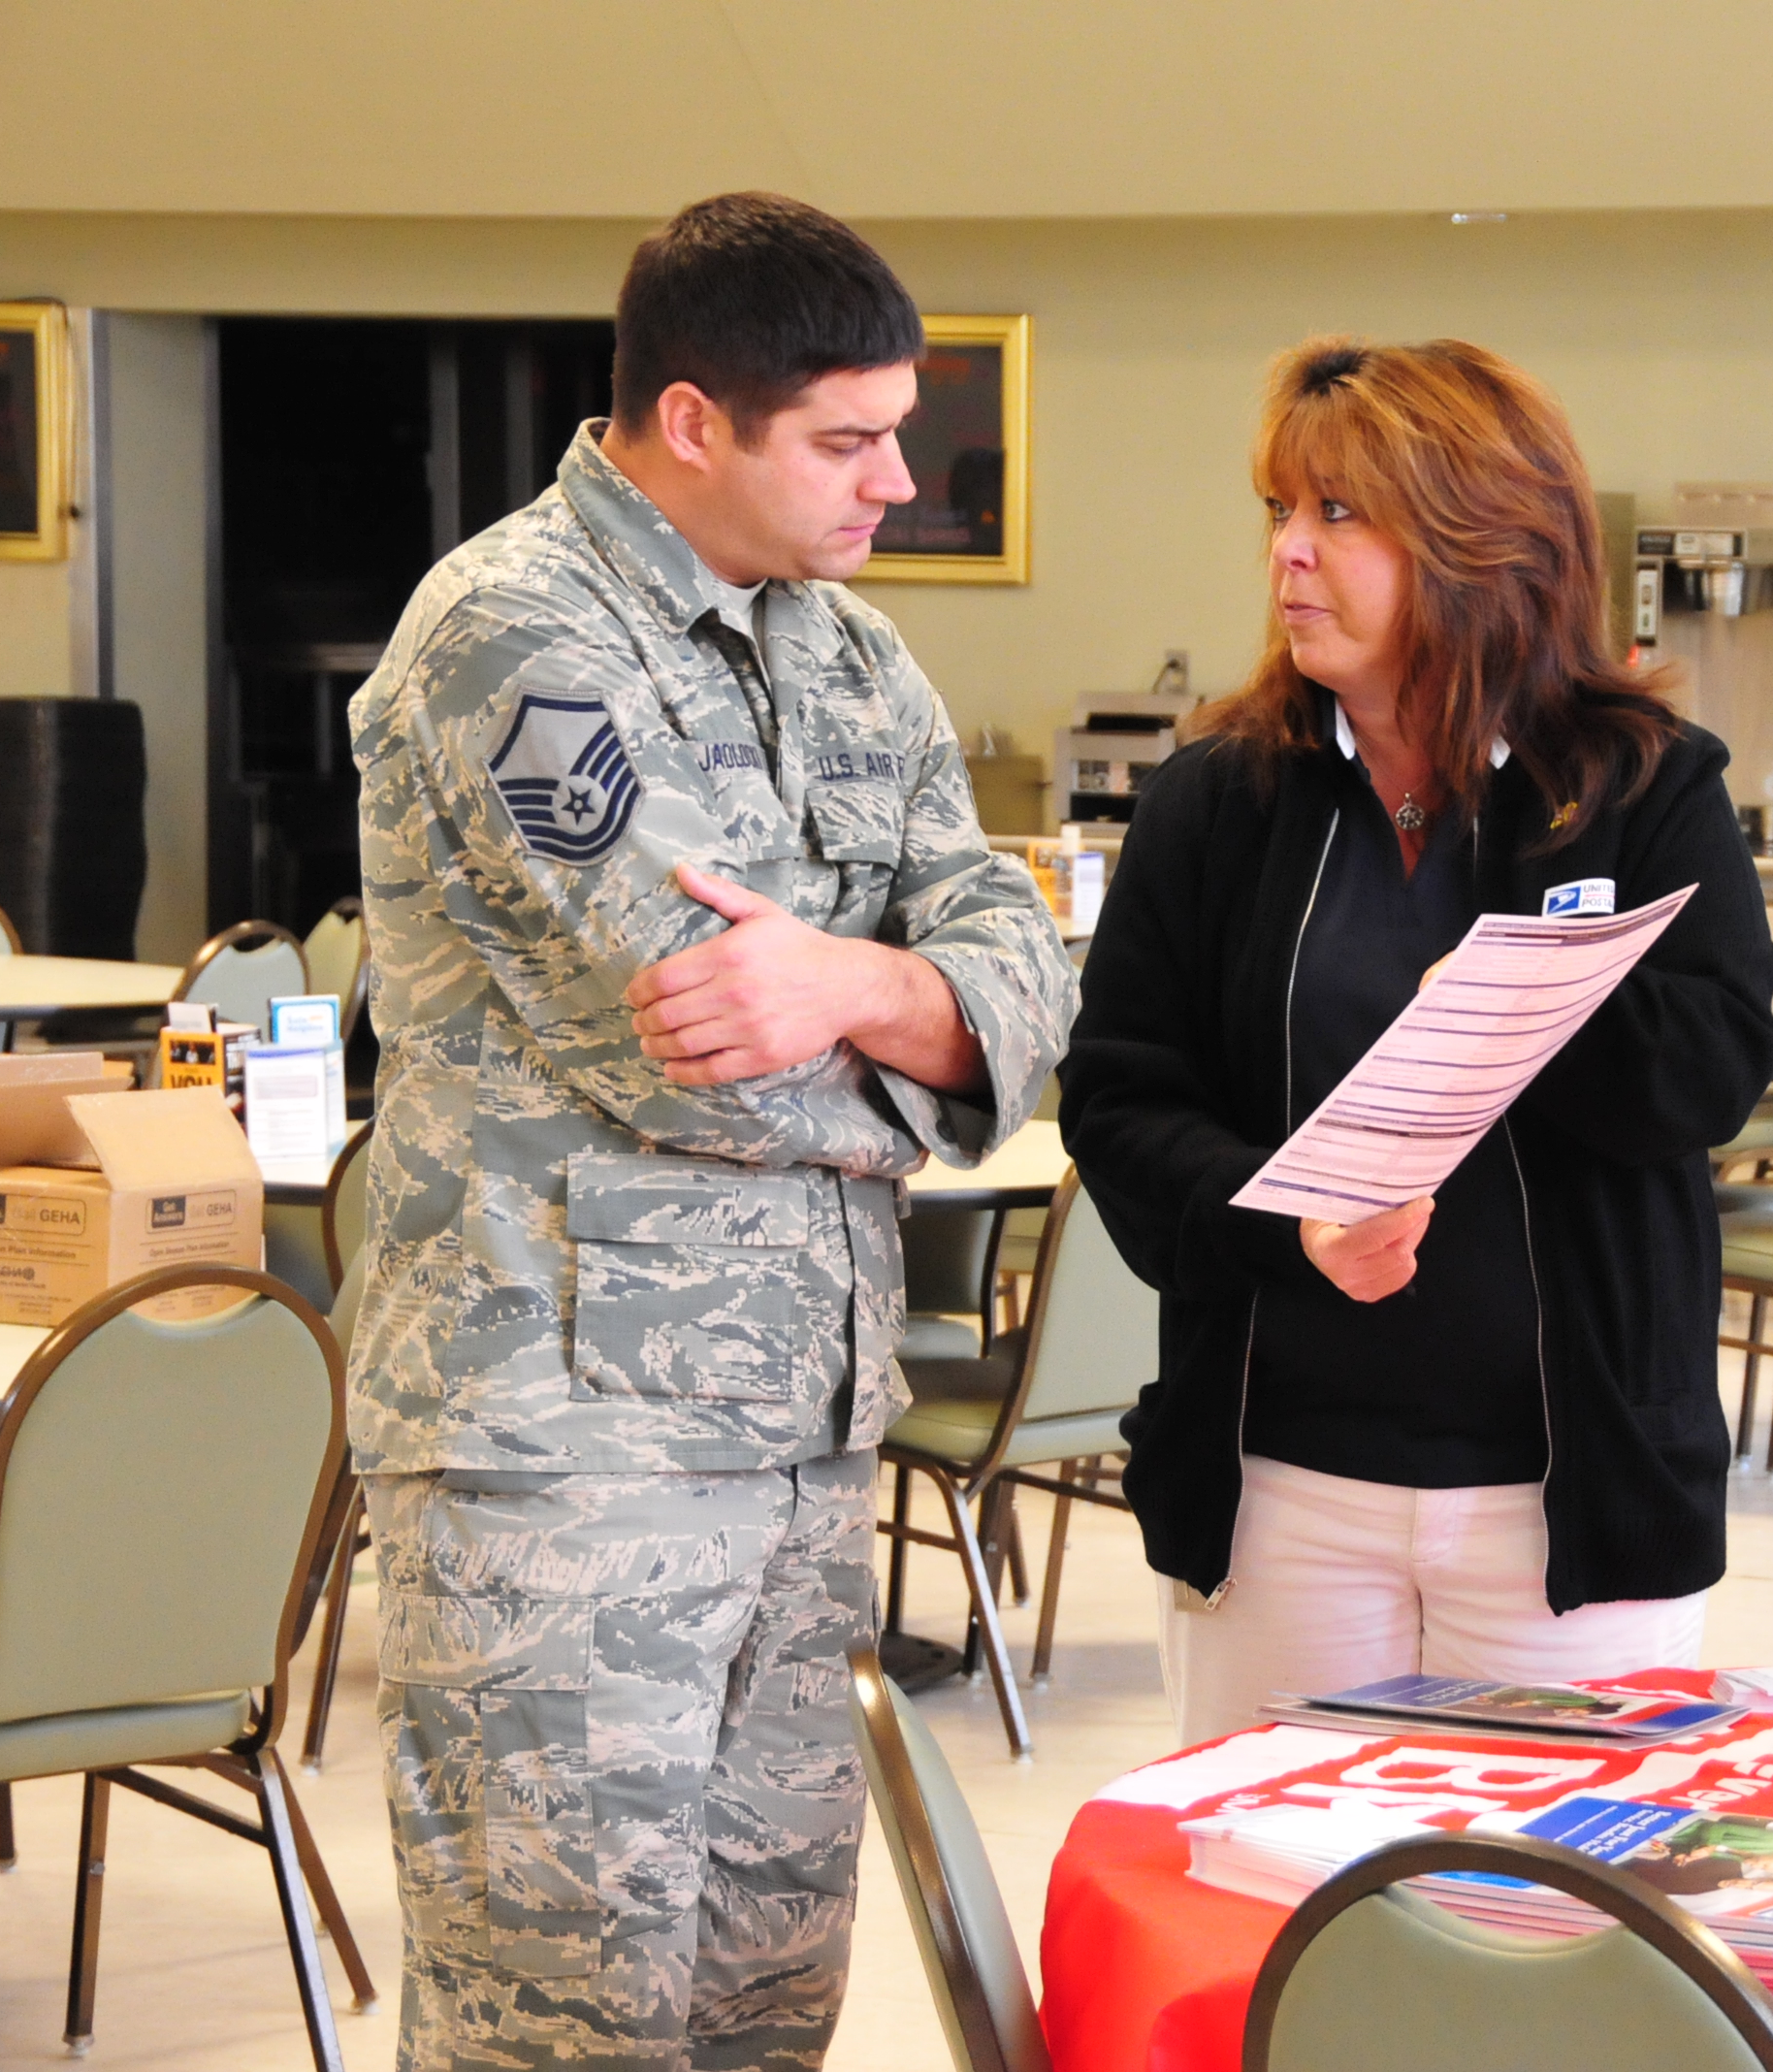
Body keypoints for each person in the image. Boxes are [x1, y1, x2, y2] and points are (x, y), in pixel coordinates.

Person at [348, 191, 1074, 2068]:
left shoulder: (840, 648)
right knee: (563, 2023)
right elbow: (696, 1047)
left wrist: (854, 987)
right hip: (564, 1458)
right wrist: (928, 1022)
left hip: (802, 1434)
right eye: (848, 439)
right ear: (693, 421)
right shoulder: (513, 637)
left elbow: (1018, 951)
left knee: (767, 2008)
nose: (897, 481)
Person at [1059, 337, 1773, 1745]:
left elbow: (1711, 1069)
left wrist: (1520, 980)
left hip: (1570, 1510)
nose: (1290, 557)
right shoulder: (1219, 800)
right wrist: (1295, 1223)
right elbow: (1124, 1106)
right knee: (1280, 1920)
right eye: (1280, 511)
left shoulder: (1640, 784)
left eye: (1341, 515)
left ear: (1479, 541)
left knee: (1560, 1931)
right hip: (1283, 1496)